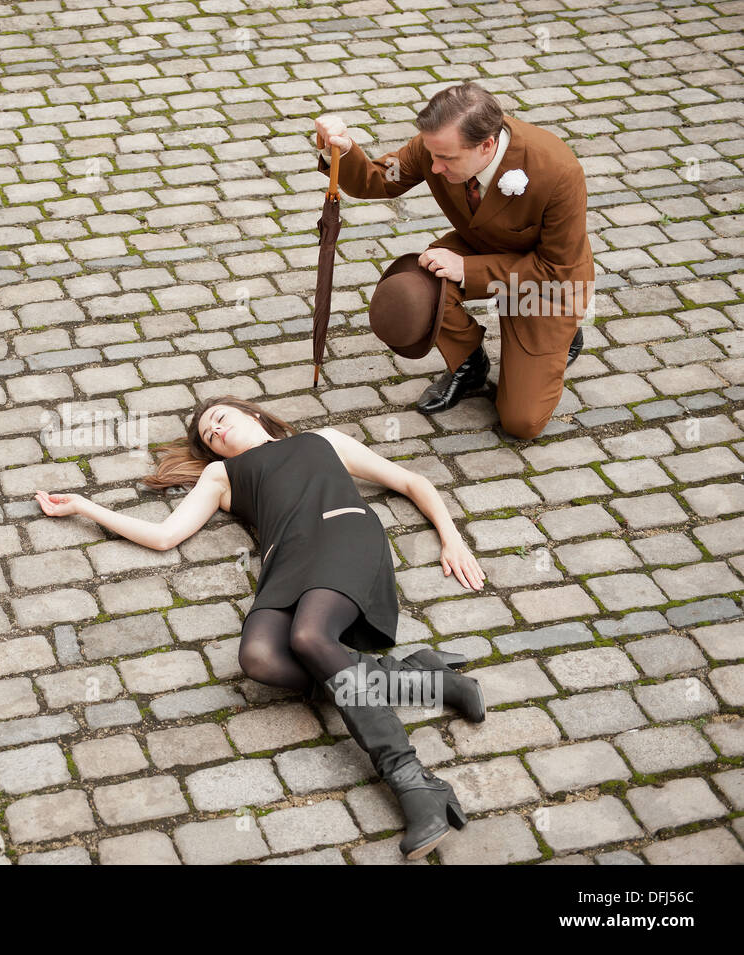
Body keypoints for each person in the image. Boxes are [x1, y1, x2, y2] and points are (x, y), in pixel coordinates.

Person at [35, 396, 488, 860]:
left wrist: (451, 540)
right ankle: (423, 681)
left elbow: (410, 481)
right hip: (284, 564)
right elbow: (164, 536)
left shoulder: (323, 440)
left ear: (251, 413)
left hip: (344, 535)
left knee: (310, 638)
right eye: (210, 437)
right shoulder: (221, 476)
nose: (218, 432)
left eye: (221, 418)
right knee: (258, 658)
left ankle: (412, 782)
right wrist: (86, 508)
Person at [314, 81, 594, 439]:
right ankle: (469, 364)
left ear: (486, 145)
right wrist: (340, 150)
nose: (434, 166)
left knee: (522, 422)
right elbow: (378, 180)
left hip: (545, 280)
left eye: (446, 159)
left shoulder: (558, 172)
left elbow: (558, 268)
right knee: (417, 288)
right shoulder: (436, 146)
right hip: (481, 244)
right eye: (432, 155)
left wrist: (468, 270)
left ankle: (564, 332)